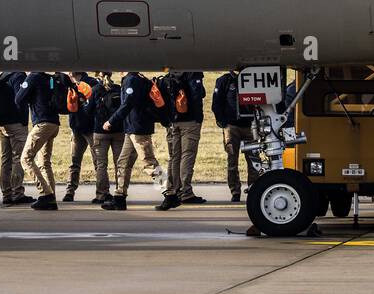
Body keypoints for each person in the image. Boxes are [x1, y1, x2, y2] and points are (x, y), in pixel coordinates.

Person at [102, 70, 164, 211]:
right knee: (123, 162)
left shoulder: (132, 80)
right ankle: (119, 197)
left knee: (149, 162)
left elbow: (127, 104)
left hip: (138, 129)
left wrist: (111, 121)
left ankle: (170, 193)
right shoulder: (135, 78)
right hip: (132, 128)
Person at [16, 71, 72, 210]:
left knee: (25, 159)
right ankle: (51, 198)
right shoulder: (51, 78)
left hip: (42, 124)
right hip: (54, 124)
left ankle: (46, 194)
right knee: (44, 163)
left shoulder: (33, 77)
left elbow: (18, 99)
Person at [156, 70, 206, 210]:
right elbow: (198, 94)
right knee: (187, 155)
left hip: (172, 122)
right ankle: (186, 192)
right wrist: (198, 117)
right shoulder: (192, 74)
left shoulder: (167, 77)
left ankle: (174, 189)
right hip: (190, 121)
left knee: (174, 157)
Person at [0, 71, 36, 207]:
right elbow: (20, 98)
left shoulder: (4, 76)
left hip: (3, 122)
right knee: (19, 158)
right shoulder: (19, 76)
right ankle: (17, 193)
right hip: (16, 123)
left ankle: (6, 193)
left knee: (6, 159)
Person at [213, 70, 258, 202]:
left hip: (250, 126)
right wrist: (223, 122)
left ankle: (254, 188)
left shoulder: (253, 78)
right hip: (232, 127)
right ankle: (235, 191)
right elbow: (216, 103)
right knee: (232, 161)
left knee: (254, 160)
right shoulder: (224, 81)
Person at [63, 72, 99, 202]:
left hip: (90, 128)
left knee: (97, 162)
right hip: (76, 128)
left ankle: (101, 192)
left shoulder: (91, 82)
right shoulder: (68, 83)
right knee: (74, 162)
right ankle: (70, 191)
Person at [89, 73, 124, 205]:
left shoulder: (95, 90)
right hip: (118, 130)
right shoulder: (118, 88)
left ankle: (102, 194)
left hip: (100, 131)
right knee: (119, 164)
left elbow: (88, 111)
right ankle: (119, 192)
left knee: (101, 165)